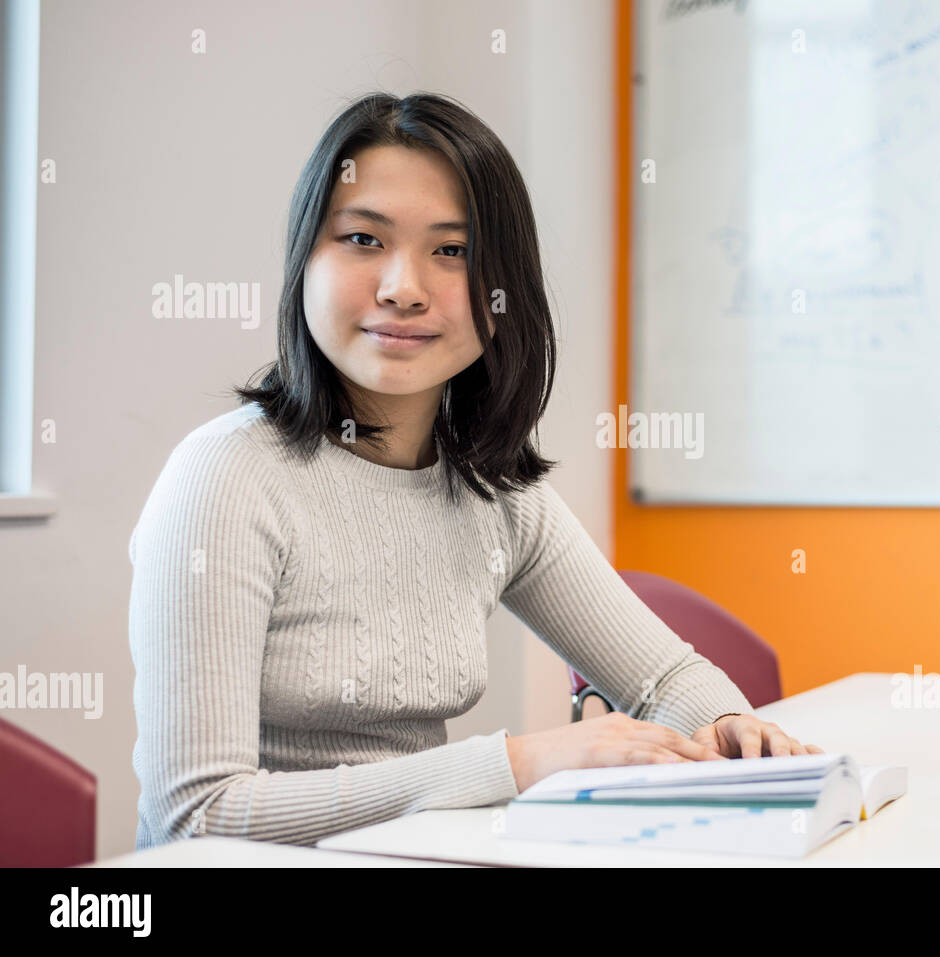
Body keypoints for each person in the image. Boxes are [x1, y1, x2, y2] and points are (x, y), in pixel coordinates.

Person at [128, 91, 821, 849]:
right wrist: (518, 763)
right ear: (305, 260)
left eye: (451, 251)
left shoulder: (494, 491)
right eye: (362, 238)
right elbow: (197, 814)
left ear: (502, 290)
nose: (403, 286)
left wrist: (729, 728)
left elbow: (664, 678)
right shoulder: (225, 479)